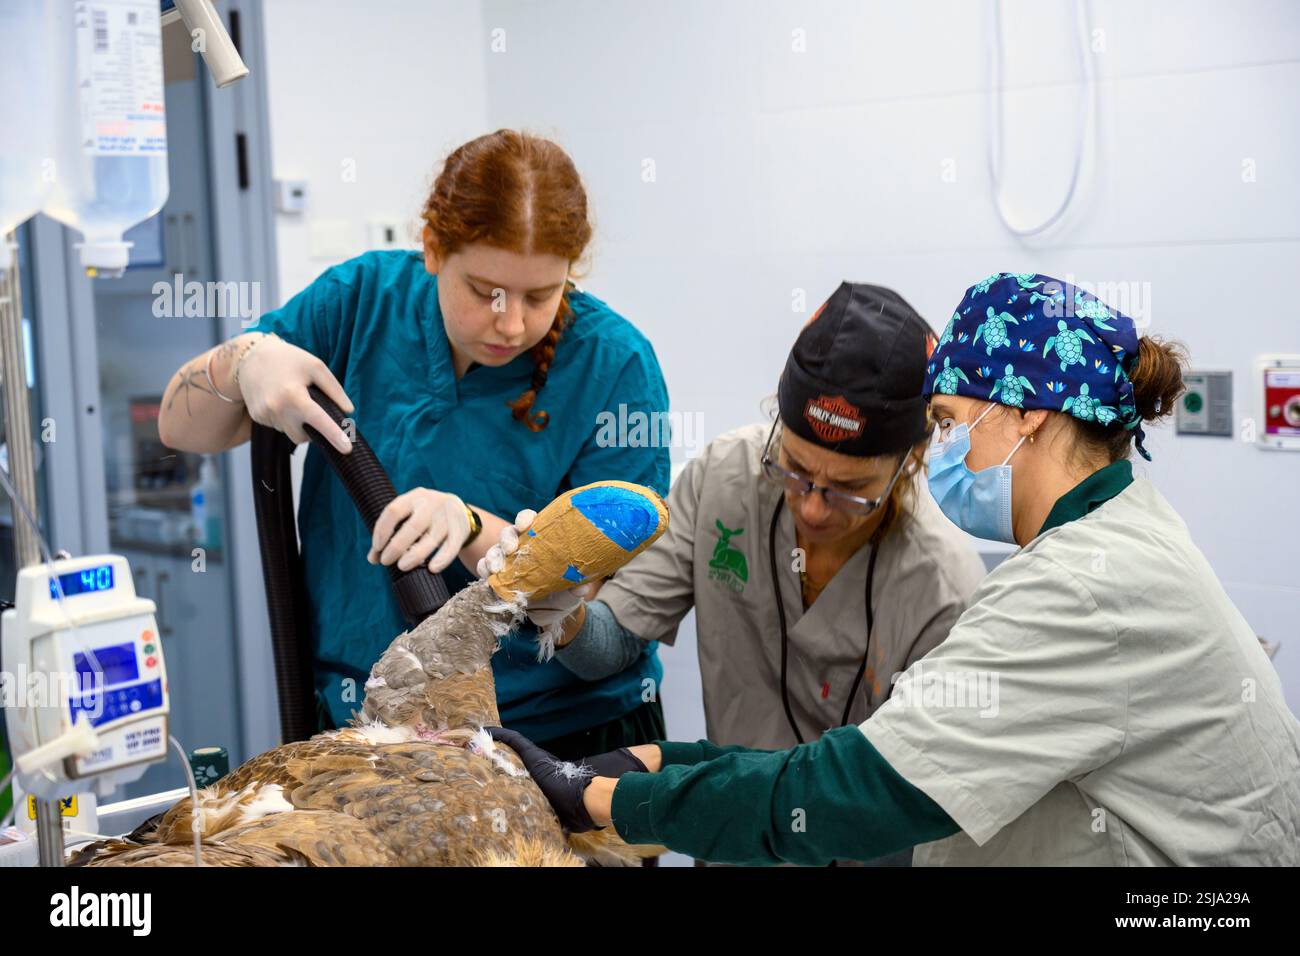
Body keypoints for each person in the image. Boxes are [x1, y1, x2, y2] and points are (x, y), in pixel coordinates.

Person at [488, 272, 1300, 866]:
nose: (948, 452)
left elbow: (861, 790)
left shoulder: (1073, 588)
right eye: (796, 473)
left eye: (948, 424)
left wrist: (596, 797)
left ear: (1024, 413)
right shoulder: (1121, 539)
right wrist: (658, 764)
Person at [157, 130, 671, 756]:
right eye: (485, 292)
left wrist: (473, 524)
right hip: (366, 729)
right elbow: (178, 428)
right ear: (431, 249)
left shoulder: (614, 368)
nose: (510, 324)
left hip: (553, 738)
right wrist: (241, 361)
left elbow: (605, 632)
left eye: (540, 295)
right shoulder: (359, 304)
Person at [480, 282, 987, 865]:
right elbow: (614, 642)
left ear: (910, 461)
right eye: (795, 469)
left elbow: (903, 793)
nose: (815, 507)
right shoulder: (725, 478)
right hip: (728, 843)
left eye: (850, 491)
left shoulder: (942, 586)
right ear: (775, 413)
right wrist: (562, 613)